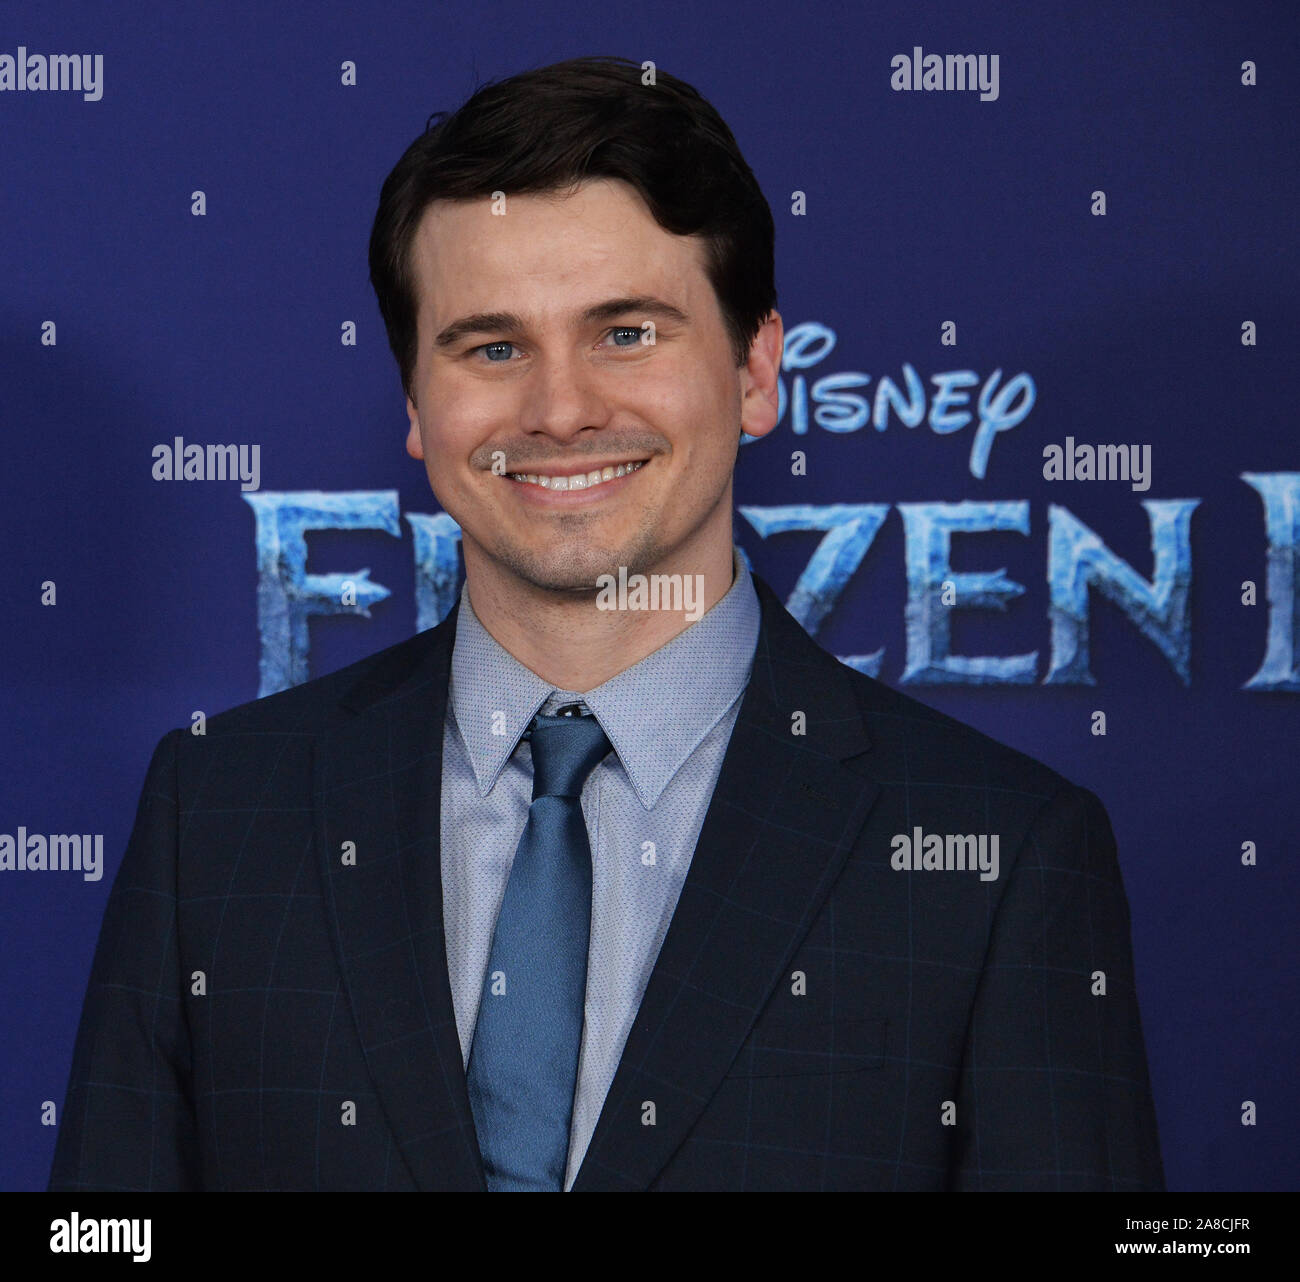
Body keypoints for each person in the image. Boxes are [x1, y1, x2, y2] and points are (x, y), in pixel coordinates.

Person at [49, 55, 1163, 1192]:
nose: (561, 408)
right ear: (414, 406)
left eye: (626, 332)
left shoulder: (998, 857)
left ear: (755, 371)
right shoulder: (219, 815)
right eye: (492, 347)